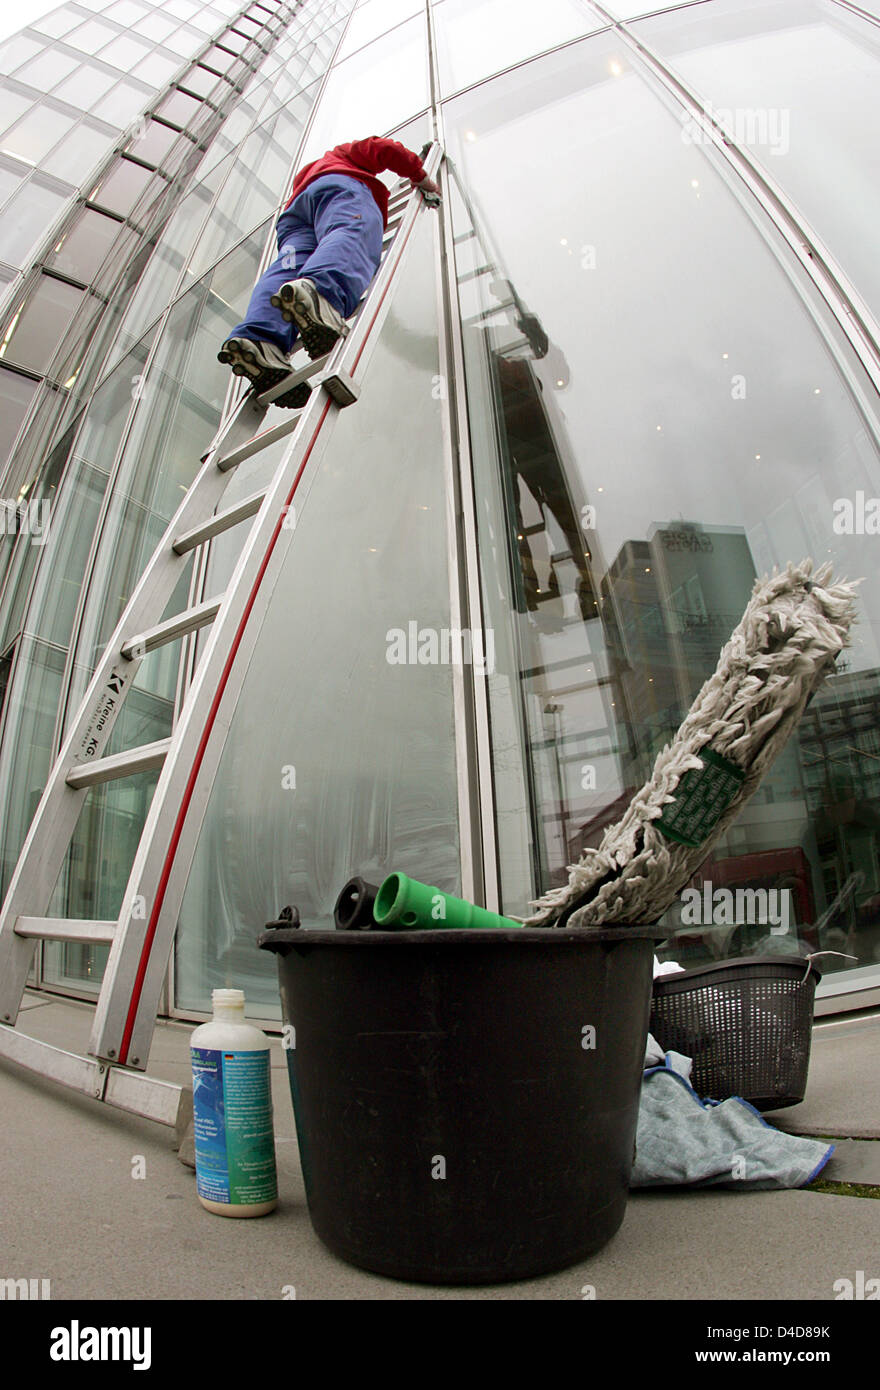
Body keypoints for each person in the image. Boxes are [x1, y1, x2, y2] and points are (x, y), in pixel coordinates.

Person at [218, 136, 441, 407]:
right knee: (351, 228)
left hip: (294, 220)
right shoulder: (341, 156)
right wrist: (419, 175)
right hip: (337, 188)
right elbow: (382, 148)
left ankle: (260, 339)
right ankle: (321, 296)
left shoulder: (304, 182)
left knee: (286, 270)